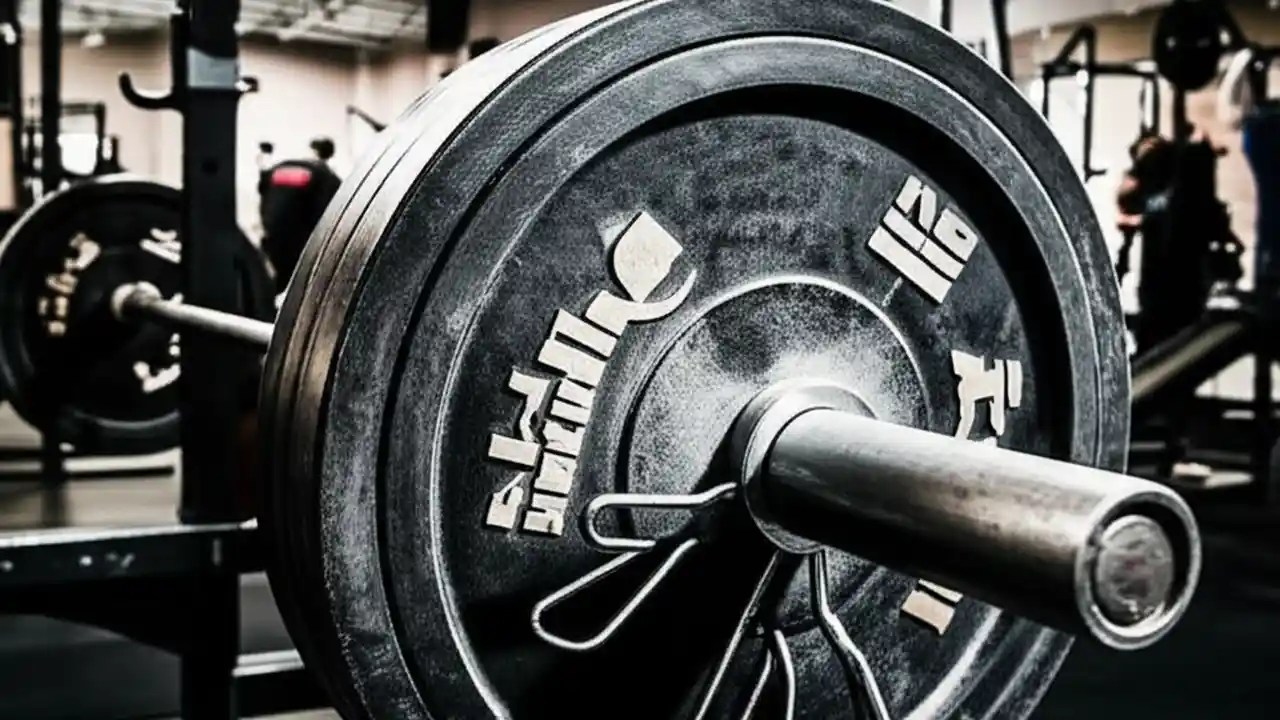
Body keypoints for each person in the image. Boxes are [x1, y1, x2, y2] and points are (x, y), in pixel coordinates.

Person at [258, 136, 341, 292]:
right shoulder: (328, 178)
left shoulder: (280, 168)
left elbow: (263, 194)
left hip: (272, 240)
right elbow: (327, 216)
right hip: (300, 247)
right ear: (329, 155)